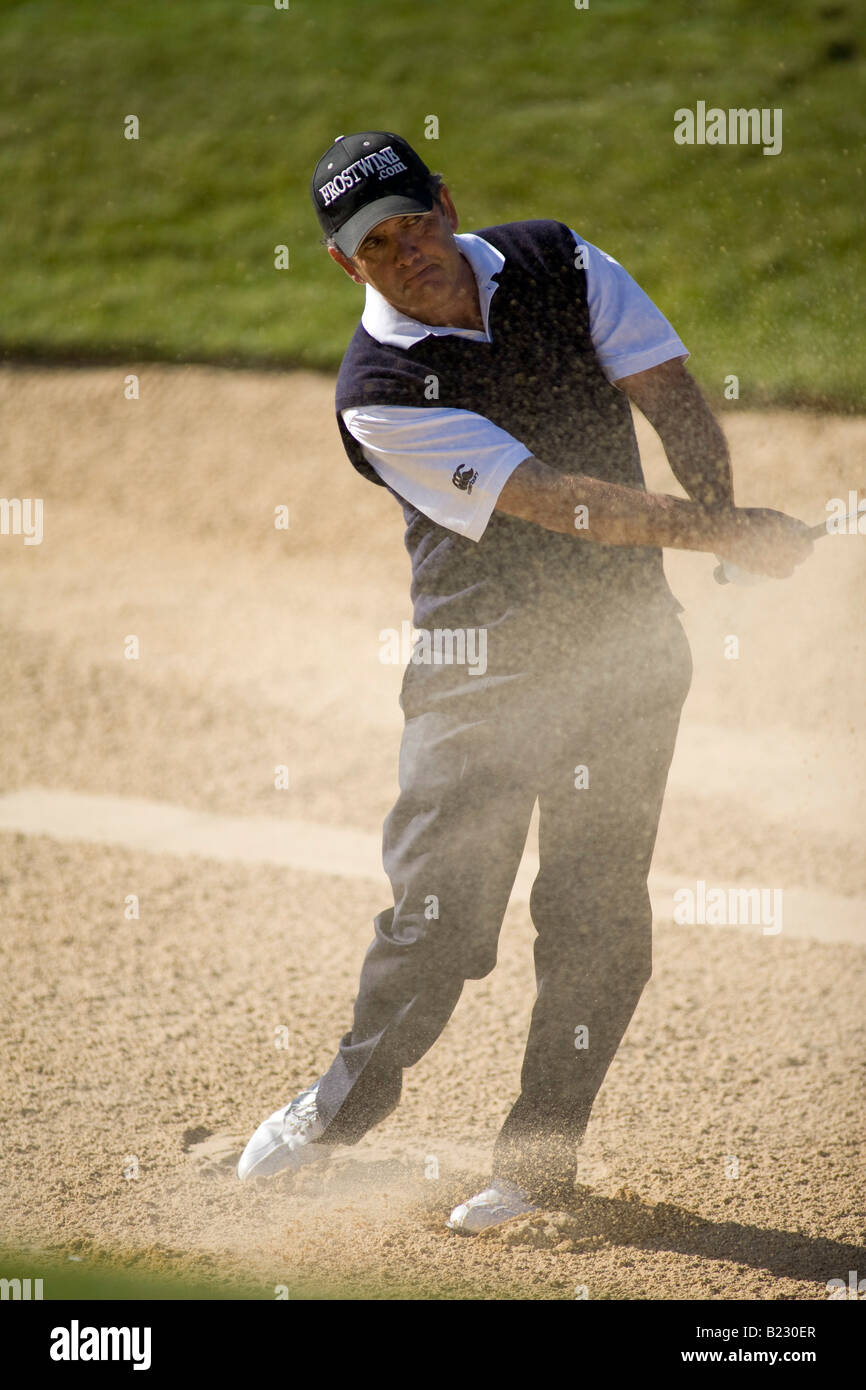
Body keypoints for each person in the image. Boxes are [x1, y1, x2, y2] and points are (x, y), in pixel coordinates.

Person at [237, 131, 812, 1233]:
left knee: (596, 916)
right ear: (343, 266)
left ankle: (538, 1161)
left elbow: (669, 393)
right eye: (375, 245)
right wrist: (728, 533)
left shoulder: (561, 260)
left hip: (628, 652)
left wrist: (723, 513)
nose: (406, 252)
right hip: (481, 676)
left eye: (414, 222)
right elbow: (563, 503)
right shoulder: (380, 391)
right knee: (441, 924)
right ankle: (335, 1111)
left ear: (446, 201)